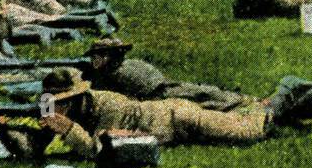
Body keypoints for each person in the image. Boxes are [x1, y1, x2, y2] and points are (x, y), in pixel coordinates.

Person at [0, 67, 312, 162]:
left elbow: (97, 151)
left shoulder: (103, 106)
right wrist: (3, 129)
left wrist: (69, 128)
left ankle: (287, 90)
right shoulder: (69, 113)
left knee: (252, 131)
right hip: (173, 124)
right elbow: (31, 150)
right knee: (263, 126)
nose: (54, 111)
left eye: (61, 103)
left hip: (177, 118)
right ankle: (309, 106)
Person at [84, 38, 259, 112]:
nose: (94, 61)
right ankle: (245, 103)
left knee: (205, 96)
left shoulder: (115, 72)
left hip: (163, 93)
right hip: (160, 96)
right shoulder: (111, 73)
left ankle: (246, 102)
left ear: (107, 56)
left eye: (97, 57)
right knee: (204, 97)